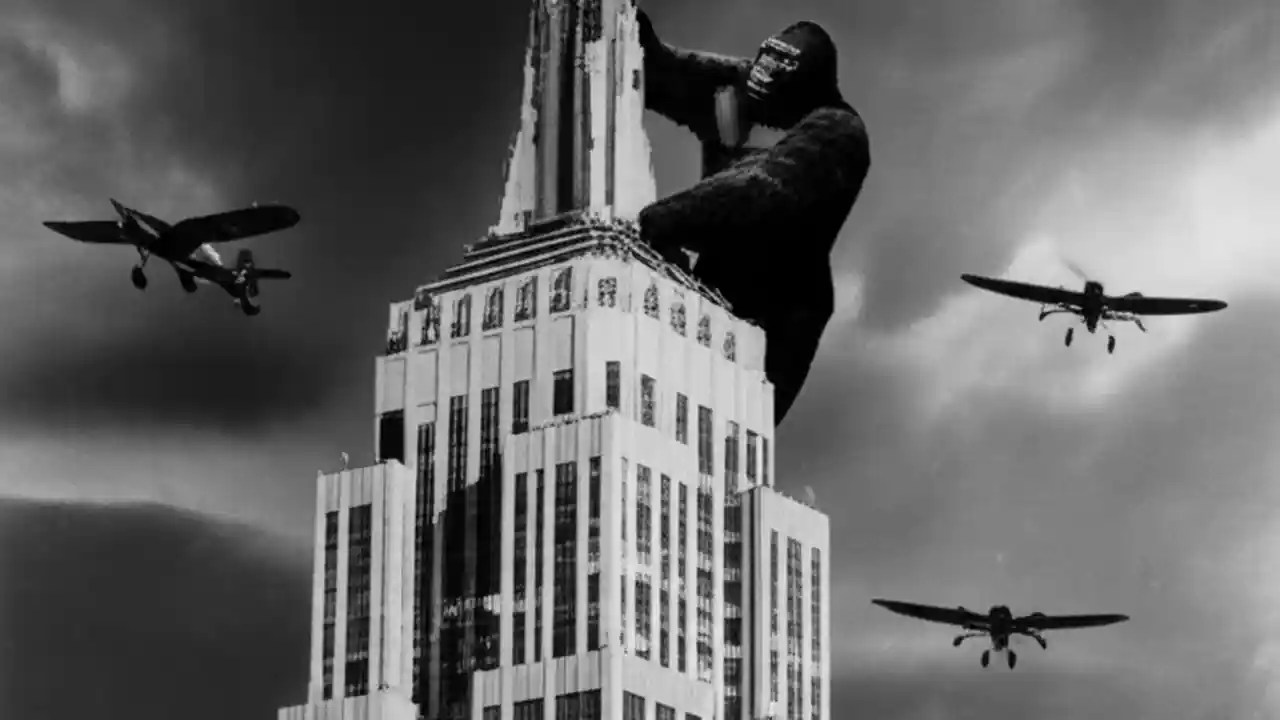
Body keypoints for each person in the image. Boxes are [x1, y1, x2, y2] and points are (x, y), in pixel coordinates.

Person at [636, 9, 871, 425]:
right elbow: (664, 71)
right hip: (718, 277)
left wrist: (667, 217)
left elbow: (765, 192)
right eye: (767, 54)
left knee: (728, 435)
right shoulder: (740, 88)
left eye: (782, 62)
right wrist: (629, 26)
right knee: (666, 417)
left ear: (806, 79)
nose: (766, 70)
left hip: (780, 310)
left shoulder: (839, 131)